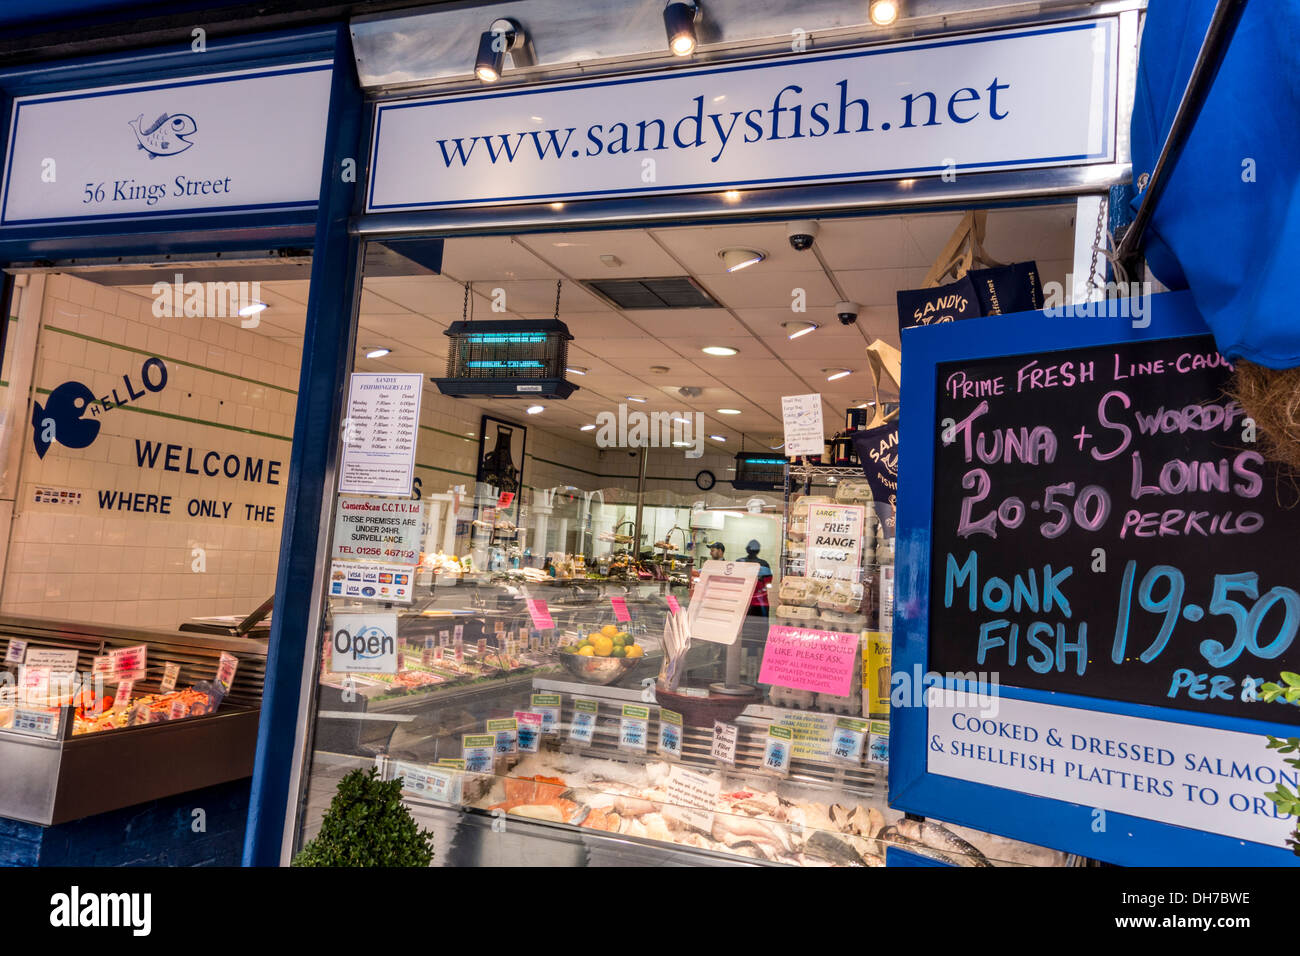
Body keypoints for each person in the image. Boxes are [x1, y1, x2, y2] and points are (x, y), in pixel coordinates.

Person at [739, 539, 772, 617]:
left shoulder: (739, 562)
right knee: (760, 626)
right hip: (759, 603)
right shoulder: (764, 564)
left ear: (747, 549)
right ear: (758, 550)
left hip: (743, 601)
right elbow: (768, 584)